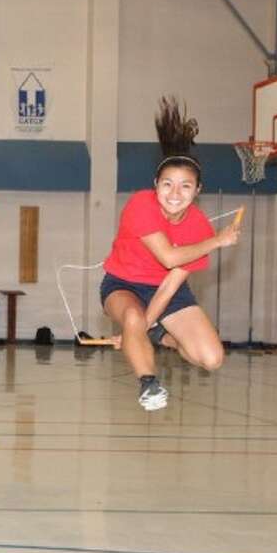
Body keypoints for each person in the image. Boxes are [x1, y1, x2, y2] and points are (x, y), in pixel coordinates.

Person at [100, 96, 239, 411]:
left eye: (185, 187)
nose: (174, 194)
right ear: (155, 185)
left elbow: (169, 284)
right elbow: (168, 257)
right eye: (167, 185)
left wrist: (144, 329)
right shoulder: (141, 205)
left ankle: (162, 336)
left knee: (211, 358)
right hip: (122, 284)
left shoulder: (200, 226)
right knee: (133, 316)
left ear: (198, 190)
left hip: (167, 292)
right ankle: (149, 384)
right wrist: (217, 242)